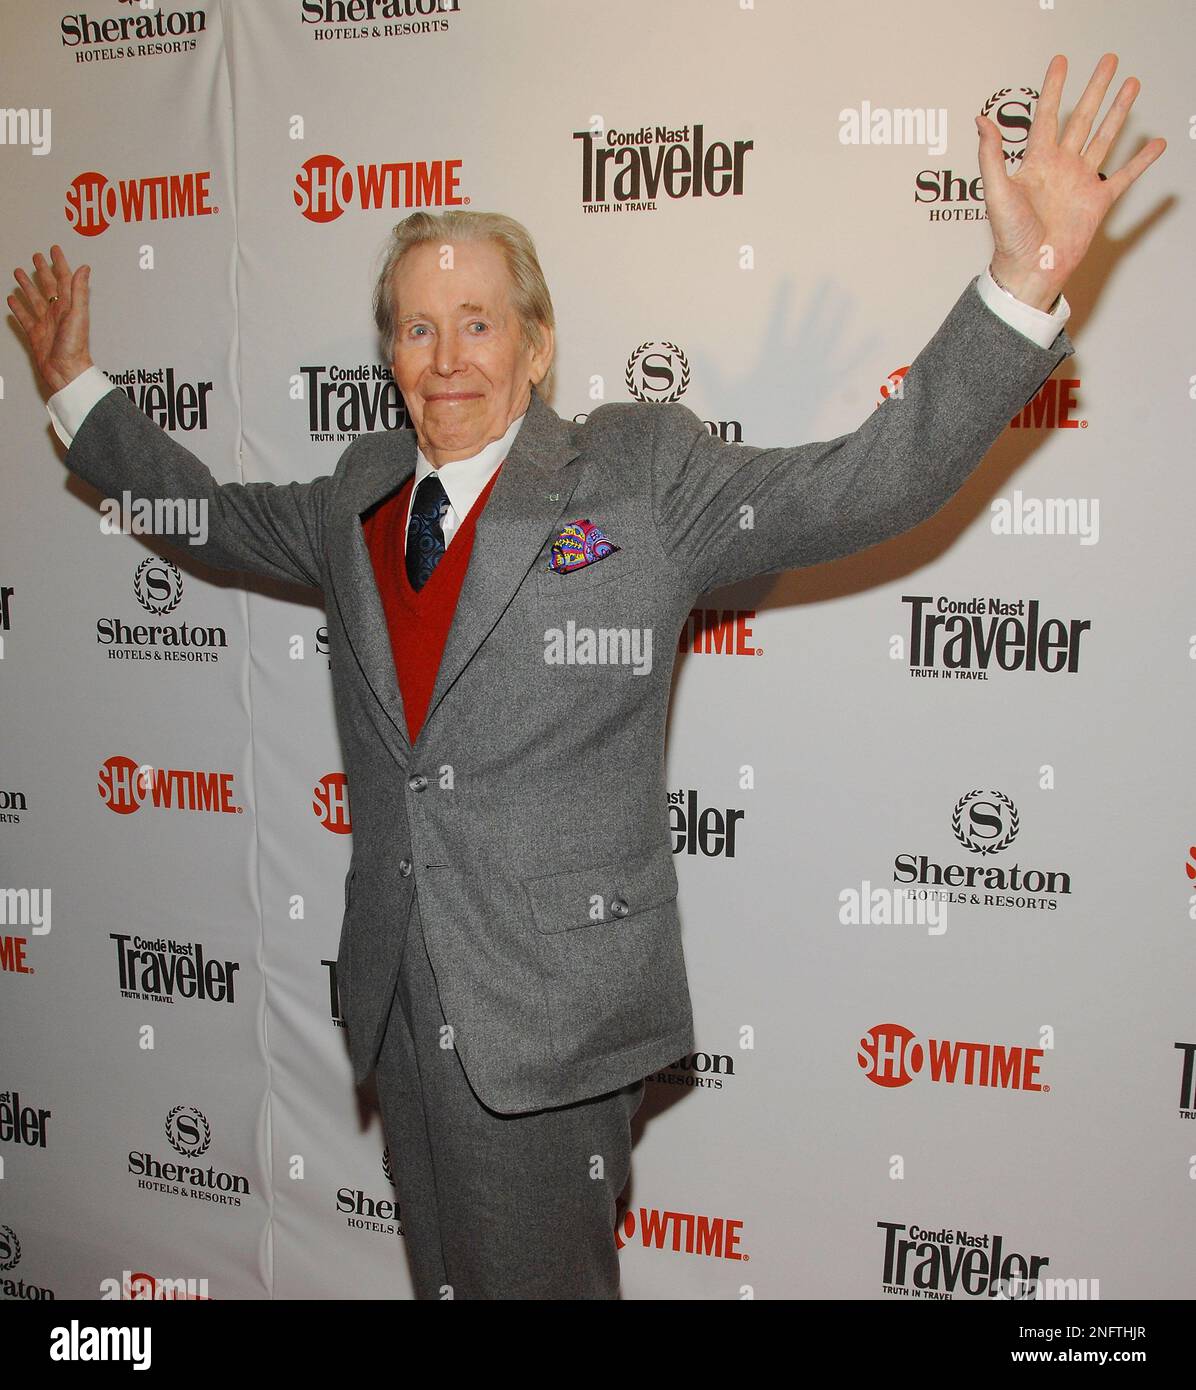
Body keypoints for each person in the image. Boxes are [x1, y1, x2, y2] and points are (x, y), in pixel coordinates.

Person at [8, 54, 1164, 1300]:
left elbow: (867, 480)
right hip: (401, 996)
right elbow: (212, 517)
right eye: (415, 325)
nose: (445, 355)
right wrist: (78, 389)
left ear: (538, 342)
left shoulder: (639, 477)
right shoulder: (356, 494)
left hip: (549, 1020)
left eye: (477, 320)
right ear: (388, 351)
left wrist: (1023, 283)